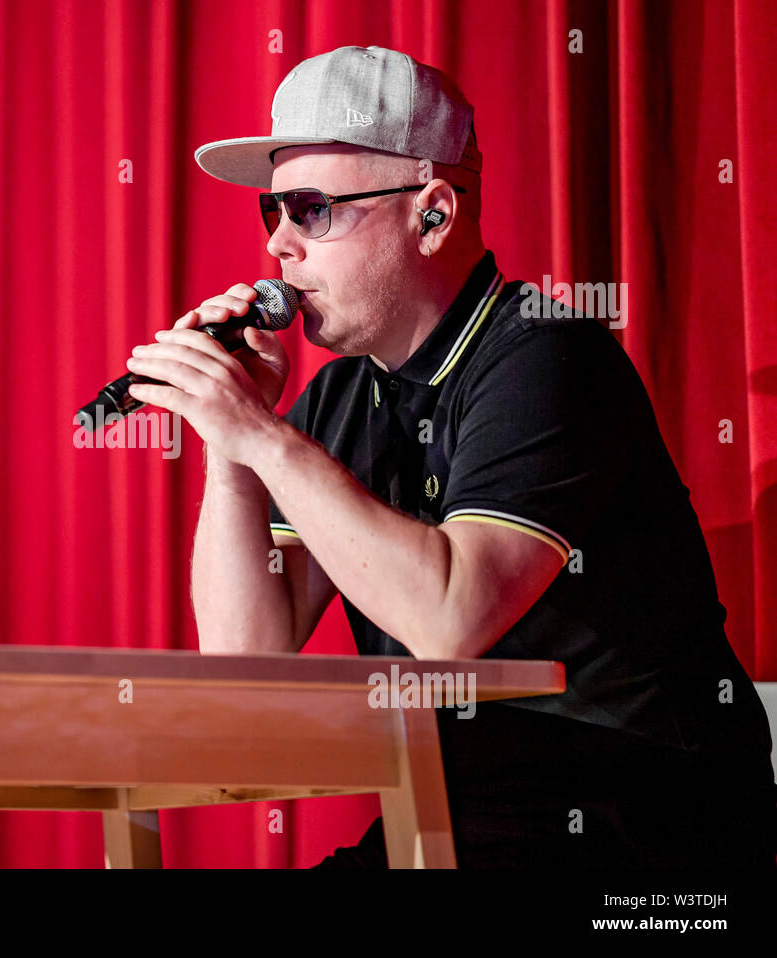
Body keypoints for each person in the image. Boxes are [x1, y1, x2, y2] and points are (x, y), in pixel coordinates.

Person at [124, 45, 777, 867]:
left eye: (312, 209)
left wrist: (264, 437)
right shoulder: (335, 402)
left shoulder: (546, 357)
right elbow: (243, 660)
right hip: (451, 820)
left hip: (638, 831)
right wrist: (232, 441)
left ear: (431, 215)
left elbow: (449, 619)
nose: (280, 247)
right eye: (274, 213)